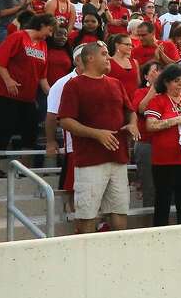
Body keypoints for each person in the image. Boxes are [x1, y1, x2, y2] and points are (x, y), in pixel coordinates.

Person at [58, 40, 138, 233]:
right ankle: (86, 258)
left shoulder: (116, 83)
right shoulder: (73, 85)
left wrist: (133, 124)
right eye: (104, 54)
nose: (109, 57)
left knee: (119, 210)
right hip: (90, 161)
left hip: (118, 159)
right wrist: (97, 134)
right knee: (87, 214)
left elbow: (130, 111)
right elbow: (66, 120)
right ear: (90, 58)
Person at [0, 14, 55, 178]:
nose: (50, 34)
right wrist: (9, 80)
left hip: (28, 96)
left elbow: (42, 78)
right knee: (5, 129)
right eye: (50, 29)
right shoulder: (18, 36)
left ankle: (25, 169)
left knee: (30, 131)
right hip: (7, 94)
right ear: (42, 24)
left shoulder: (43, 45)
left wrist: (54, 96)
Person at [144, 63, 181, 226]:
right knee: (163, 202)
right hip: (164, 160)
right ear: (167, 82)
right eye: (177, 80)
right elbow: (151, 125)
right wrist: (176, 120)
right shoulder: (158, 101)